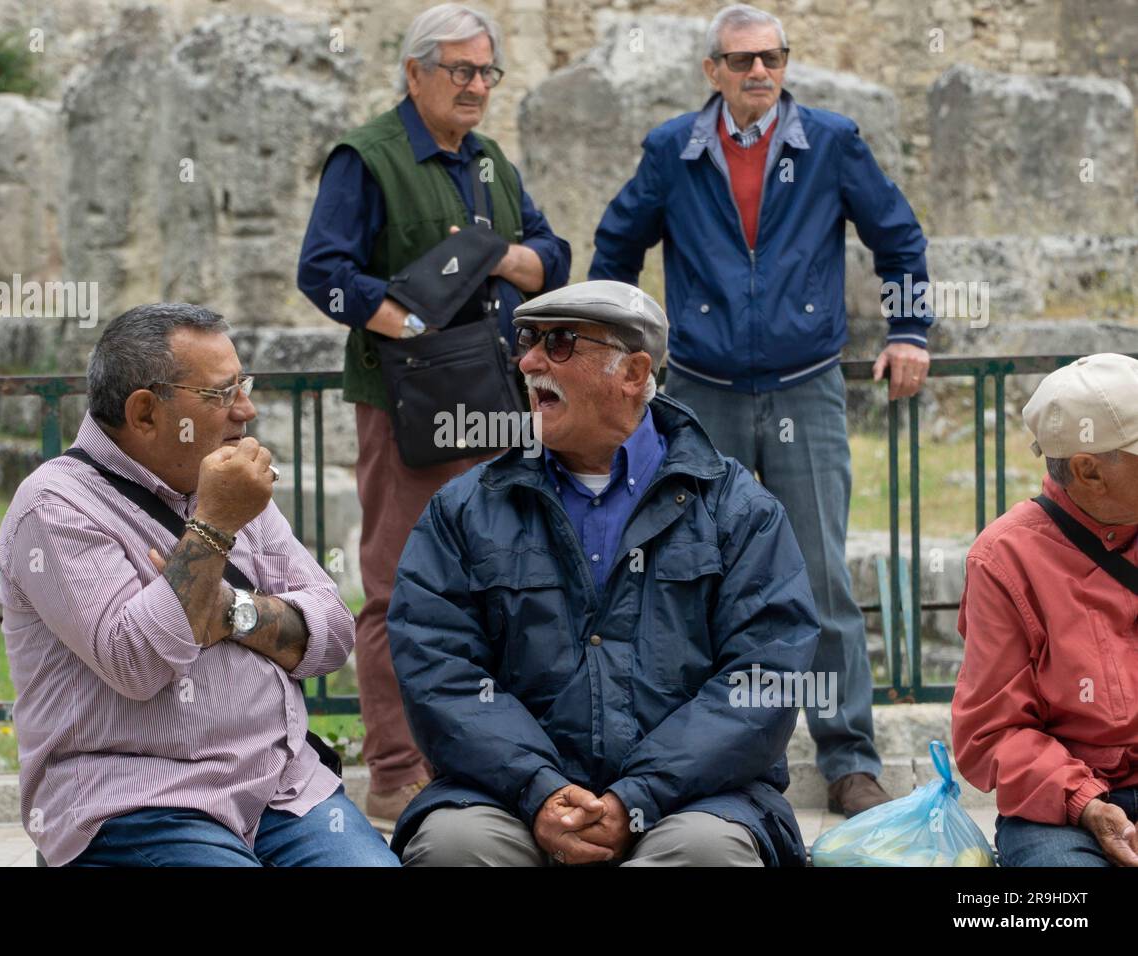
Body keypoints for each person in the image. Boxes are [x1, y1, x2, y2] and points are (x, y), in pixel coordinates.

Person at [588, 2, 933, 816]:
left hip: (806, 385)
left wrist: (910, 328)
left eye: (772, 59)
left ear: (785, 64)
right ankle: (685, 750)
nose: (759, 74)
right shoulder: (674, 150)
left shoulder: (832, 142)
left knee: (819, 576)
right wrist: (619, 356)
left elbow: (900, 238)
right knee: (683, 571)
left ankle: (849, 757)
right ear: (712, 71)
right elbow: (614, 248)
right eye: (741, 61)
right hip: (700, 391)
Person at [387, 280, 820, 866]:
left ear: (635, 373)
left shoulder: (738, 510)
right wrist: (539, 791)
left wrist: (636, 798)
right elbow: (437, 668)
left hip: (692, 798)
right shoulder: (465, 509)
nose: (530, 361)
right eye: (527, 340)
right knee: (453, 847)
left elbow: (763, 677)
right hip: (510, 797)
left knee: (708, 853)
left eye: (560, 343)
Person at [0, 303, 397, 867]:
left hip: (279, 788)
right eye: (221, 394)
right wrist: (213, 526)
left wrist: (231, 609)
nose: (247, 410)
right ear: (144, 413)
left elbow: (331, 632)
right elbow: (138, 663)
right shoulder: (56, 509)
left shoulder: (224, 482)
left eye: (244, 385)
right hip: (138, 800)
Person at [297, 2, 570, 821]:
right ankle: (394, 769)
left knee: (505, 580)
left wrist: (502, 256)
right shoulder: (366, 158)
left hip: (497, 406)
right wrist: (412, 323)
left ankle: (491, 757)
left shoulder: (490, 163)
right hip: (407, 409)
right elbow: (325, 272)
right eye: (461, 70)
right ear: (414, 73)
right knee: (397, 588)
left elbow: (554, 257)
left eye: (487, 72)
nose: (477, 86)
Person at [953, 353, 1138, 867]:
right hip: (1063, 807)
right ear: (1089, 471)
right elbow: (992, 733)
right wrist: (1086, 804)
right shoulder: (1003, 559)